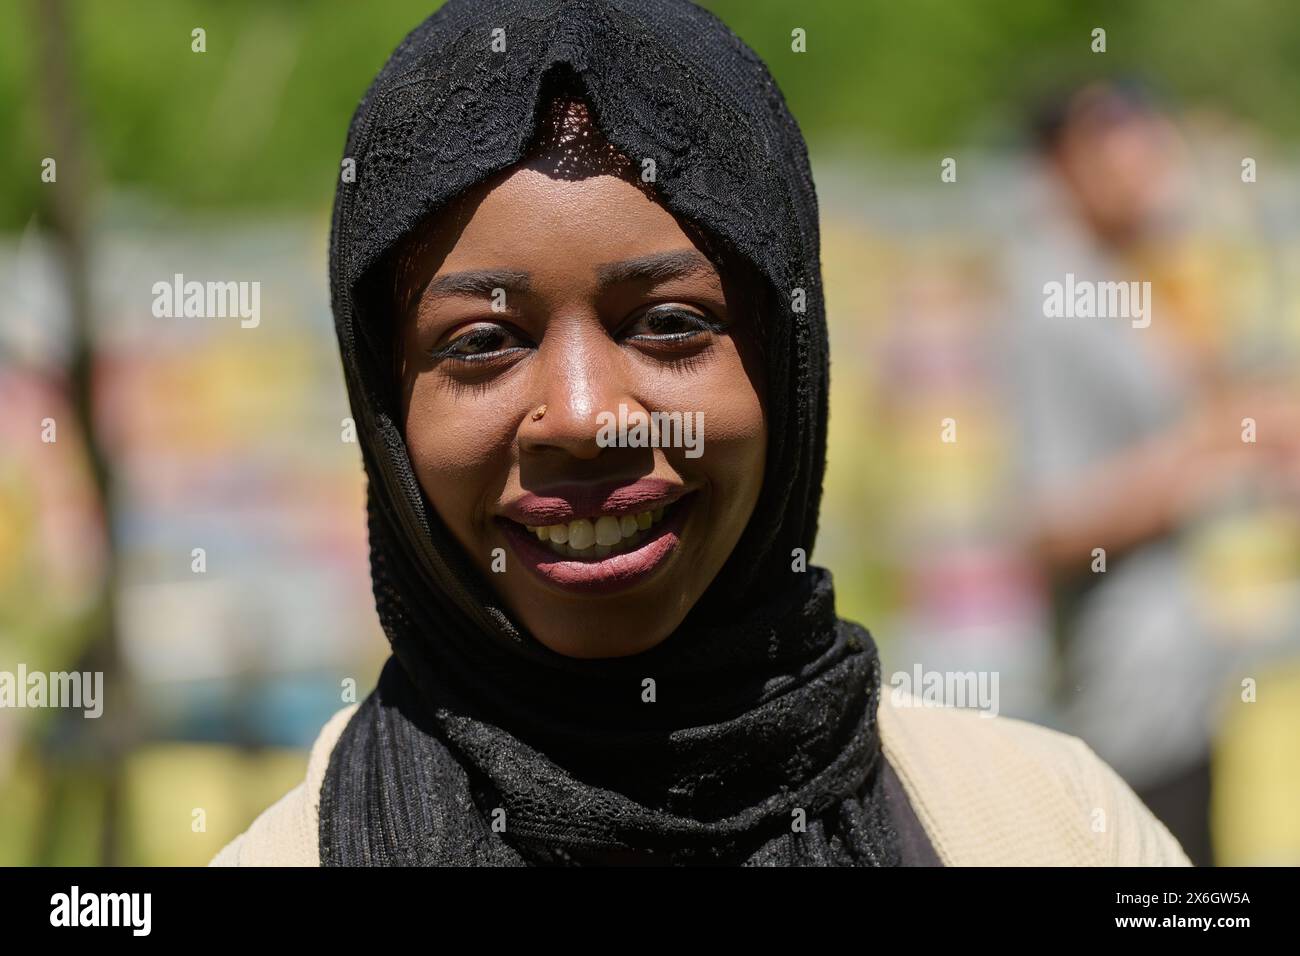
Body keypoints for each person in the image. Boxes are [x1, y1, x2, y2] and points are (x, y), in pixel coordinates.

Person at [211, 0, 1188, 866]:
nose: (588, 418)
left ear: (784, 359)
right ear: (386, 405)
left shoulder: (1050, 826)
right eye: (481, 341)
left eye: (670, 323)